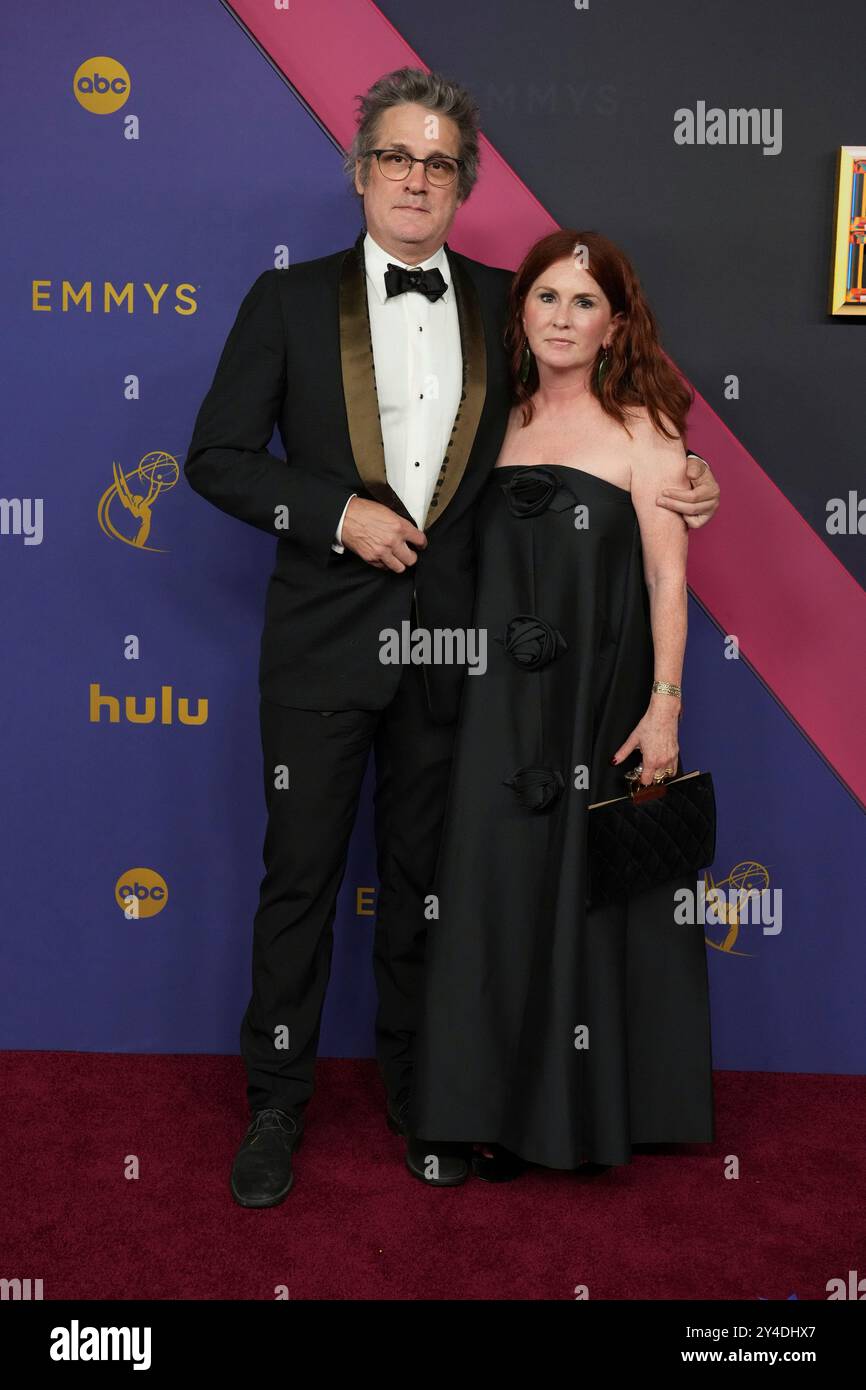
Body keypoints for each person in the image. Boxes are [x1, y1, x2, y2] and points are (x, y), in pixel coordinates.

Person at [183, 69, 721, 1208]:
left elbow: (603, 417)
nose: (415, 179)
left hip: (459, 662)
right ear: (361, 168)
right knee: (300, 884)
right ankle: (274, 1107)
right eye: (395, 156)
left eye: (438, 163)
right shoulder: (284, 303)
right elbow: (216, 458)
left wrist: (685, 478)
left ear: (464, 184)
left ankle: (429, 1099)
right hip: (323, 649)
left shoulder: (503, 302)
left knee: (434, 888)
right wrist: (334, 512)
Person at [411, 228, 716, 1180]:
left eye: (585, 302)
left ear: (615, 323)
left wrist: (664, 709)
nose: (562, 317)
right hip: (490, 710)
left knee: (581, 896)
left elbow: (670, 586)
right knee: (492, 899)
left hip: (596, 702)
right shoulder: (486, 422)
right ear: (522, 312)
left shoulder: (649, 432)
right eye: (547, 297)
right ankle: (481, 1107)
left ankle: (570, 1116)